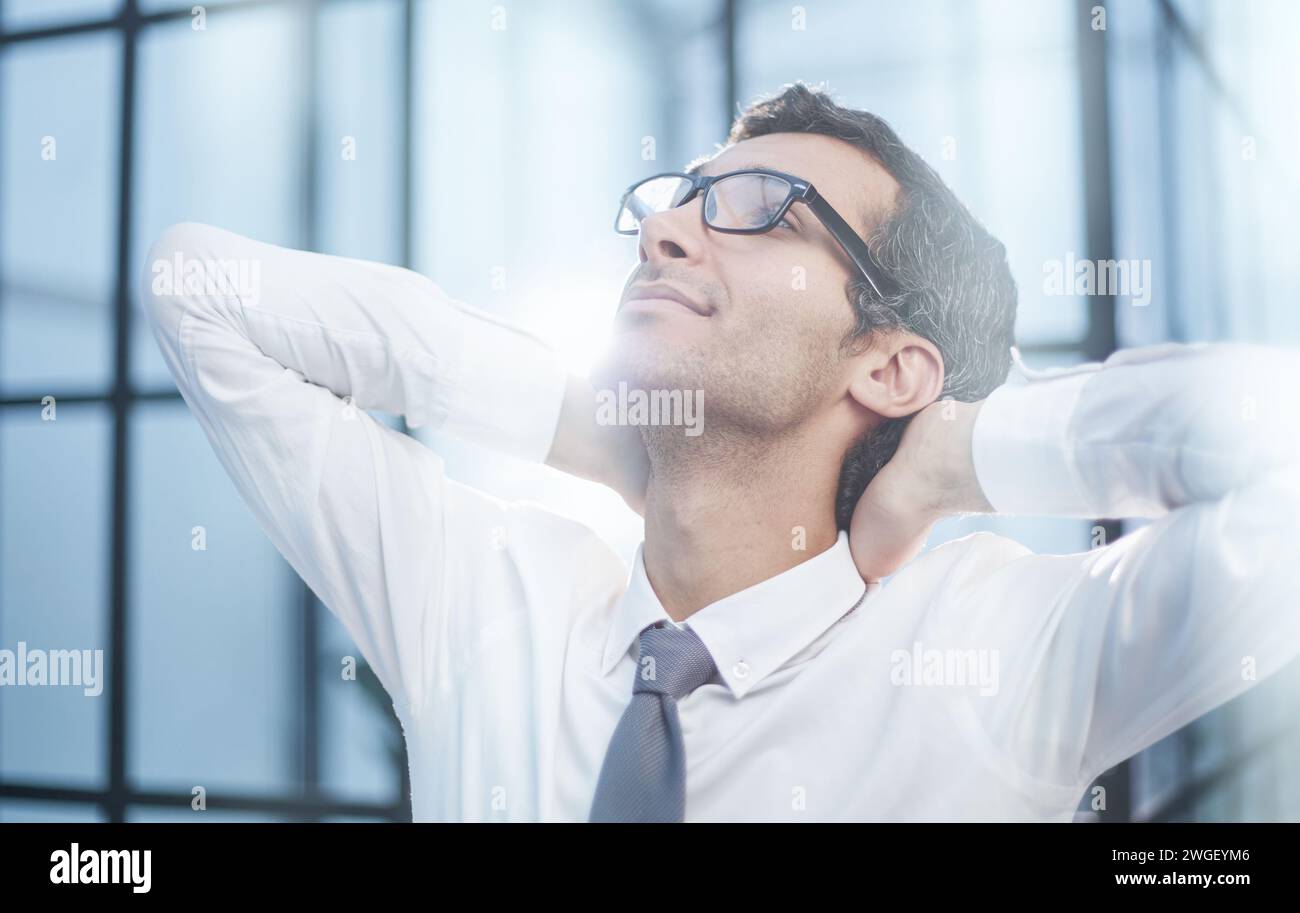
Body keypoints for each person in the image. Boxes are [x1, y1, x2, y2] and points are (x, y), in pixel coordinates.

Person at [140, 83, 1300, 822]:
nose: (662, 228)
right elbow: (199, 289)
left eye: (758, 207)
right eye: (677, 199)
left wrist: (966, 455)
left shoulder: (999, 649)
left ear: (889, 366)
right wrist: (575, 421)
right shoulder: (482, 598)